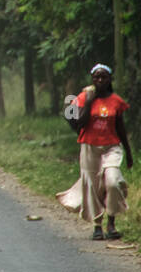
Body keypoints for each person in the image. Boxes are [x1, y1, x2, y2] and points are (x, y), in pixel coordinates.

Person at [57, 64, 133, 239]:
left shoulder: (116, 101)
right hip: (90, 147)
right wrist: (90, 101)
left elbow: (120, 128)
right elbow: (78, 124)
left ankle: (111, 223)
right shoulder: (83, 98)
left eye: (104, 77)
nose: (100, 80)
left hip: (111, 148)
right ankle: (97, 225)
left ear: (109, 79)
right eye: (96, 77)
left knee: (112, 182)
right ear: (92, 79)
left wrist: (128, 152)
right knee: (93, 186)